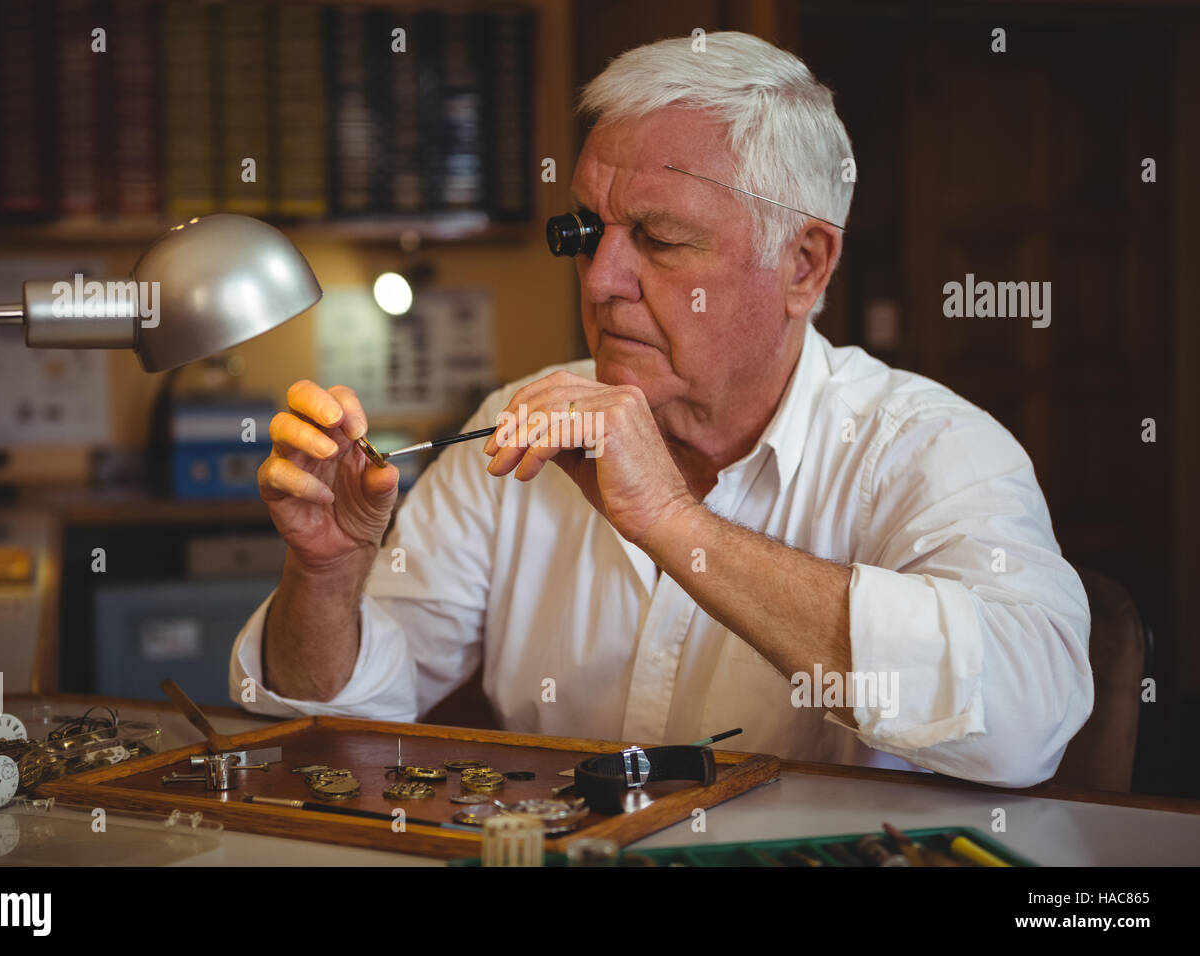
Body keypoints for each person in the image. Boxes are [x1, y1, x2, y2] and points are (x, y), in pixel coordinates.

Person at [231, 32, 1092, 788]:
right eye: (586, 232)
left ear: (804, 265)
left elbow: (1029, 720)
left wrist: (676, 523)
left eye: (661, 239)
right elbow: (337, 729)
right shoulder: (514, 423)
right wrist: (327, 575)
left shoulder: (931, 448)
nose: (601, 281)